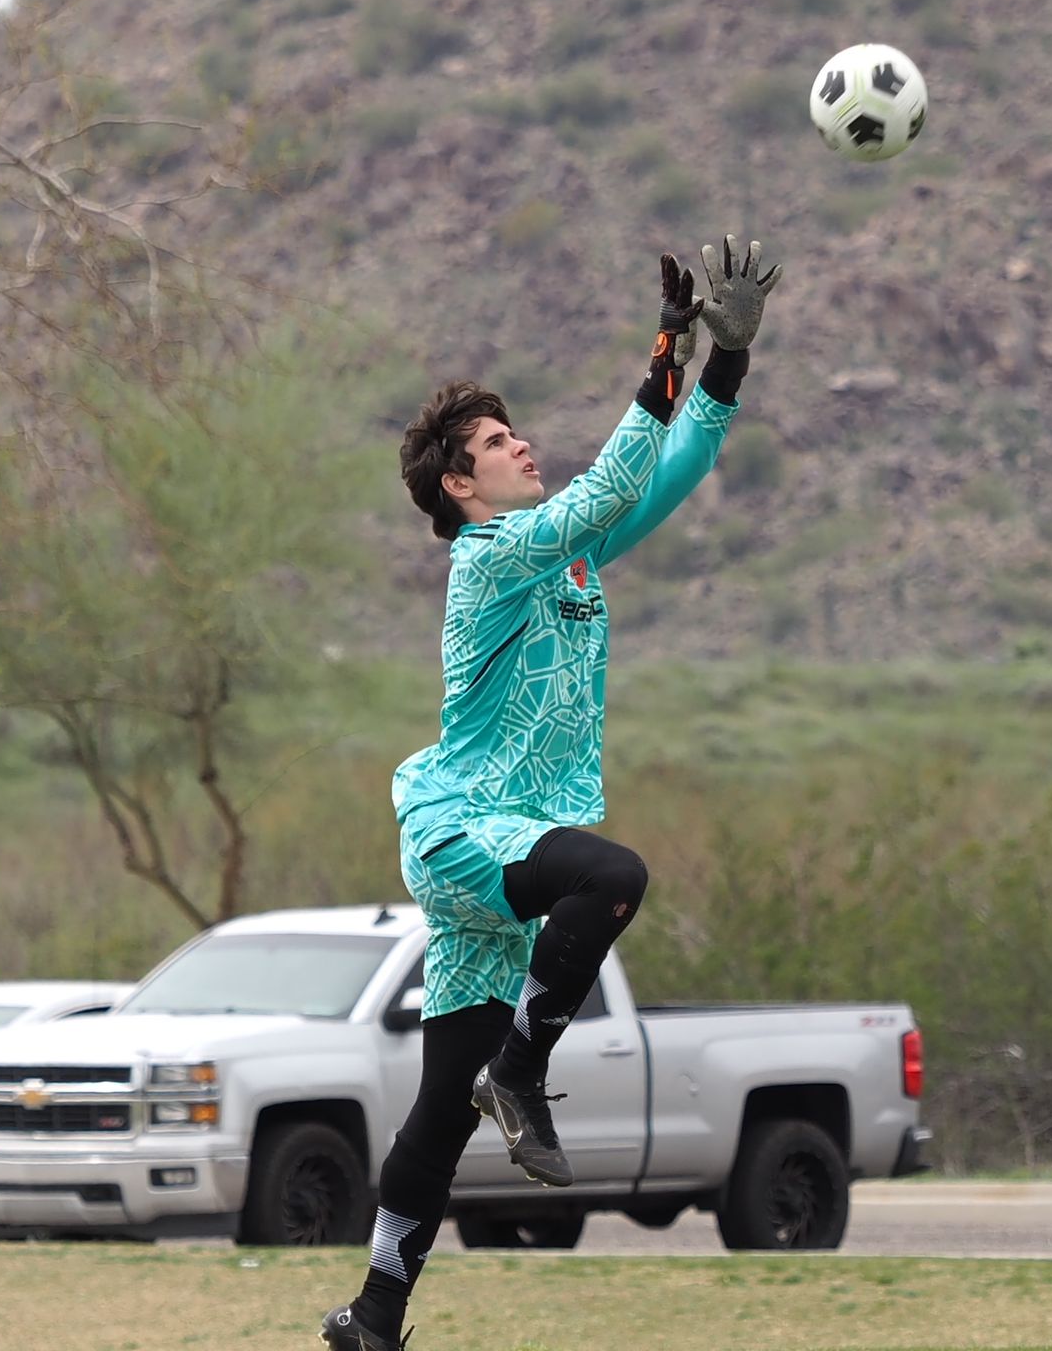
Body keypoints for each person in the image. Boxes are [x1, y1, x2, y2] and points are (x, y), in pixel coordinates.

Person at [321, 238, 782, 1350]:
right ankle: (521, 1068)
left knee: (439, 1107)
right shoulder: (488, 558)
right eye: (493, 441)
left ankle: (374, 1313)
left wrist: (730, 358)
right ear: (458, 487)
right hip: (462, 831)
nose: (519, 442)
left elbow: (668, 474)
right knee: (613, 875)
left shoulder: (564, 560)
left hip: (513, 840)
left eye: (512, 428)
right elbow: (617, 474)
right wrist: (670, 342)